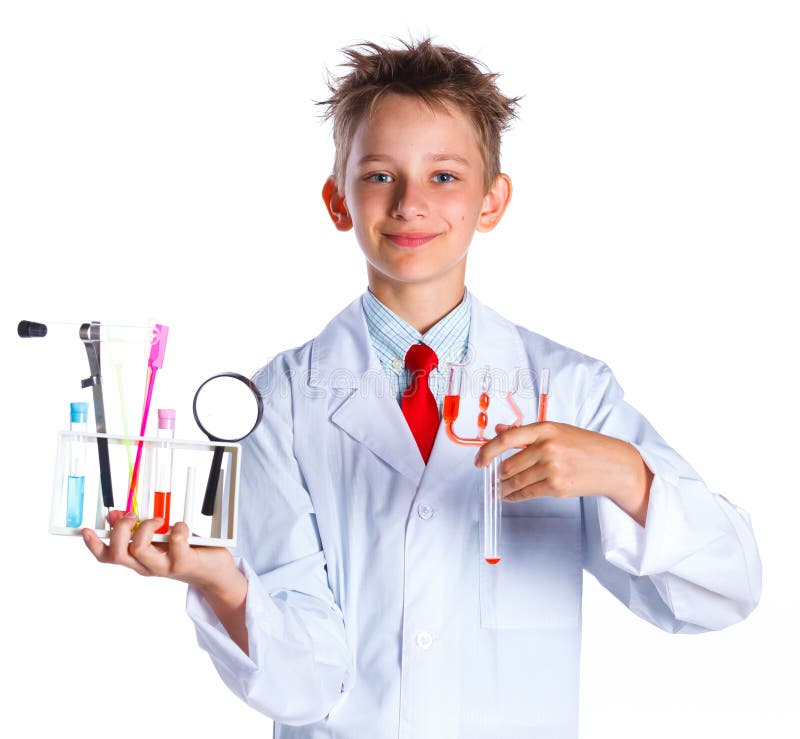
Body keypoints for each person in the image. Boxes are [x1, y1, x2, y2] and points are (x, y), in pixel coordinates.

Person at [82, 38, 761, 738]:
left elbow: (723, 591)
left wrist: (626, 475)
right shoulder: (282, 400)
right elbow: (306, 683)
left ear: (492, 200)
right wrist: (223, 583)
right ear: (338, 200)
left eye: (444, 176)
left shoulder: (568, 390)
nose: (410, 203)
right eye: (379, 175)